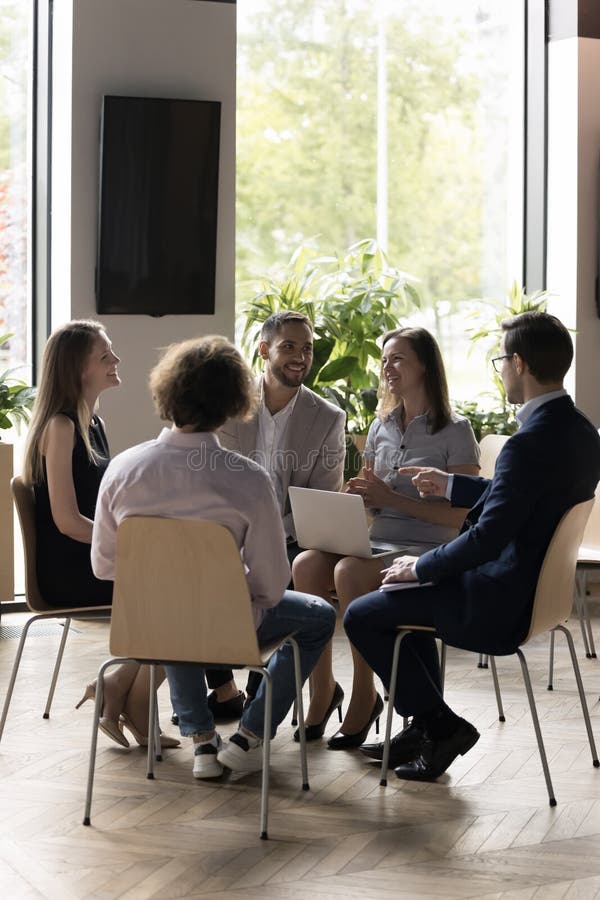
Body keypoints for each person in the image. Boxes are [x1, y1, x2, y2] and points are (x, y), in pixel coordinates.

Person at [345, 311, 600, 782]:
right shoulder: (582, 432)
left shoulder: (528, 443)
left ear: (519, 364)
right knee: (401, 600)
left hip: (499, 599)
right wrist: (453, 487)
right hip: (535, 593)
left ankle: (440, 726)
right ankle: (424, 725)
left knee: (363, 613)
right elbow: (525, 503)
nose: (500, 369)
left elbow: (488, 538)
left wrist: (421, 566)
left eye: (501, 360)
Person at [91, 335, 337, 779]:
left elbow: (105, 566)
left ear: (166, 391)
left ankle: (202, 740)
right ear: (233, 403)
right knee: (318, 616)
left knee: (175, 609)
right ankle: (250, 735)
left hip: (150, 624)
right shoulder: (247, 478)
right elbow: (270, 587)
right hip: (227, 624)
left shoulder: (123, 468)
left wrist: (179, 581)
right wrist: (221, 581)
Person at [292, 327, 480, 747]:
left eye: (397, 358)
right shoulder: (382, 426)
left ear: (425, 365)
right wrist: (354, 503)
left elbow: (464, 516)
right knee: (305, 564)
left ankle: (365, 696)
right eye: (384, 359)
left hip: (426, 548)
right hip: (380, 540)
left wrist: (390, 497)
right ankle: (322, 691)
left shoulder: (456, 430)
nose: (387, 368)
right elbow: (373, 500)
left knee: (349, 573)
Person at [22, 319, 178, 751]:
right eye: (105, 356)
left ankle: (115, 685)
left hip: (92, 558)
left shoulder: (94, 423)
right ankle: (128, 698)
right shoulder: (61, 427)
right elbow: (67, 520)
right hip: (70, 570)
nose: (116, 360)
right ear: (78, 369)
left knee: (181, 590)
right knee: (179, 594)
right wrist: (130, 547)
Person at [203, 310, 346, 720]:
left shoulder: (328, 418)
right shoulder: (228, 403)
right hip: (228, 531)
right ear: (265, 350)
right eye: (289, 347)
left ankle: (258, 694)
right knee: (202, 572)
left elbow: (319, 498)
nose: (300, 356)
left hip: (289, 534)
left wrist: (264, 535)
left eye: (307, 348)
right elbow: (211, 479)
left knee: (271, 575)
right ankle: (223, 687)